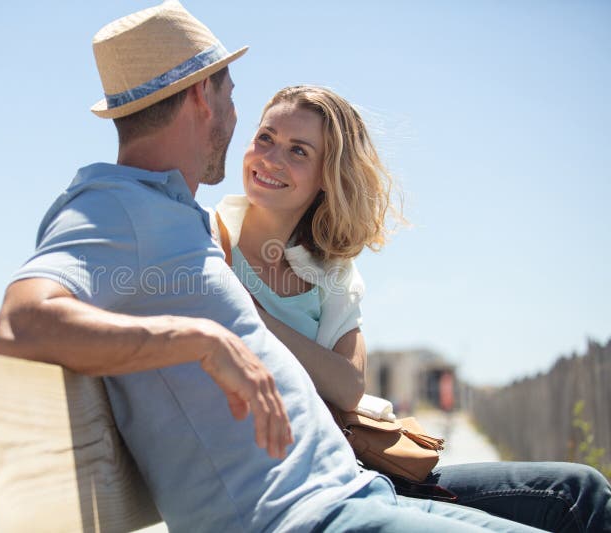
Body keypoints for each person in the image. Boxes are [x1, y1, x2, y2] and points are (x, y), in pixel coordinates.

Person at [0, 1, 552, 531]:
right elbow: (21, 322)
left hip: (347, 494)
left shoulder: (179, 215)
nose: (238, 121)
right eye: (233, 98)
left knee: (580, 502)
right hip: (300, 517)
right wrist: (200, 339)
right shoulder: (116, 203)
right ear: (202, 98)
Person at [212, 84, 611, 532]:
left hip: (365, 469)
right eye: (265, 137)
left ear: (329, 175)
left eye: (298, 151)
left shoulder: (332, 270)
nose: (271, 158)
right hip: (299, 488)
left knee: (580, 492)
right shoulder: (209, 243)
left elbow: (347, 387)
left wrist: (251, 316)